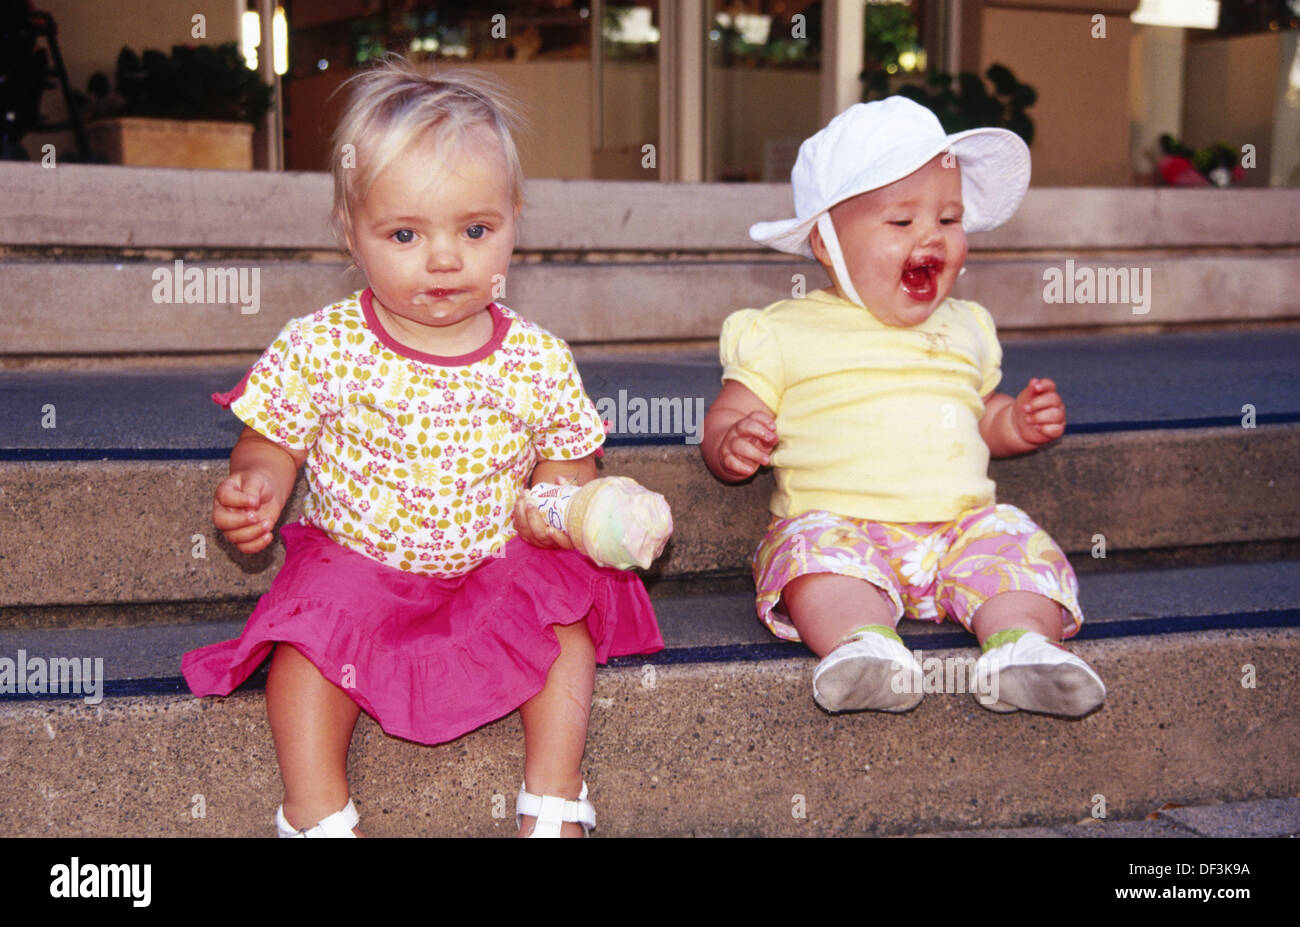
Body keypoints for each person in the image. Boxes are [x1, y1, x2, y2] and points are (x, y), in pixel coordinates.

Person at [182, 57, 663, 837]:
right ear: (352, 232)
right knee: (304, 646)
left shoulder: (536, 358)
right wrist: (258, 486)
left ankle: (554, 796)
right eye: (406, 233)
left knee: (563, 616)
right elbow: (271, 440)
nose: (445, 258)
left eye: (476, 230)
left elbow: (567, 473)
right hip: (361, 566)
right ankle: (315, 810)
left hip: (489, 562)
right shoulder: (324, 344)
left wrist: (566, 509)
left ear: (513, 218)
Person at [701, 98, 1104, 718]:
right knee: (812, 562)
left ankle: (1021, 646)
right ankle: (865, 649)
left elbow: (981, 414)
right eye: (900, 223)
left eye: (949, 218)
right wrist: (732, 442)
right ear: (828, 243)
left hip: (959, 526)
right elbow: (728, 415)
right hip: (842, 524)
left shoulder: (966, 325)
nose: (931, 236)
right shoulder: (782, 332)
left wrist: (1015, 423)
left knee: (1014, 547)